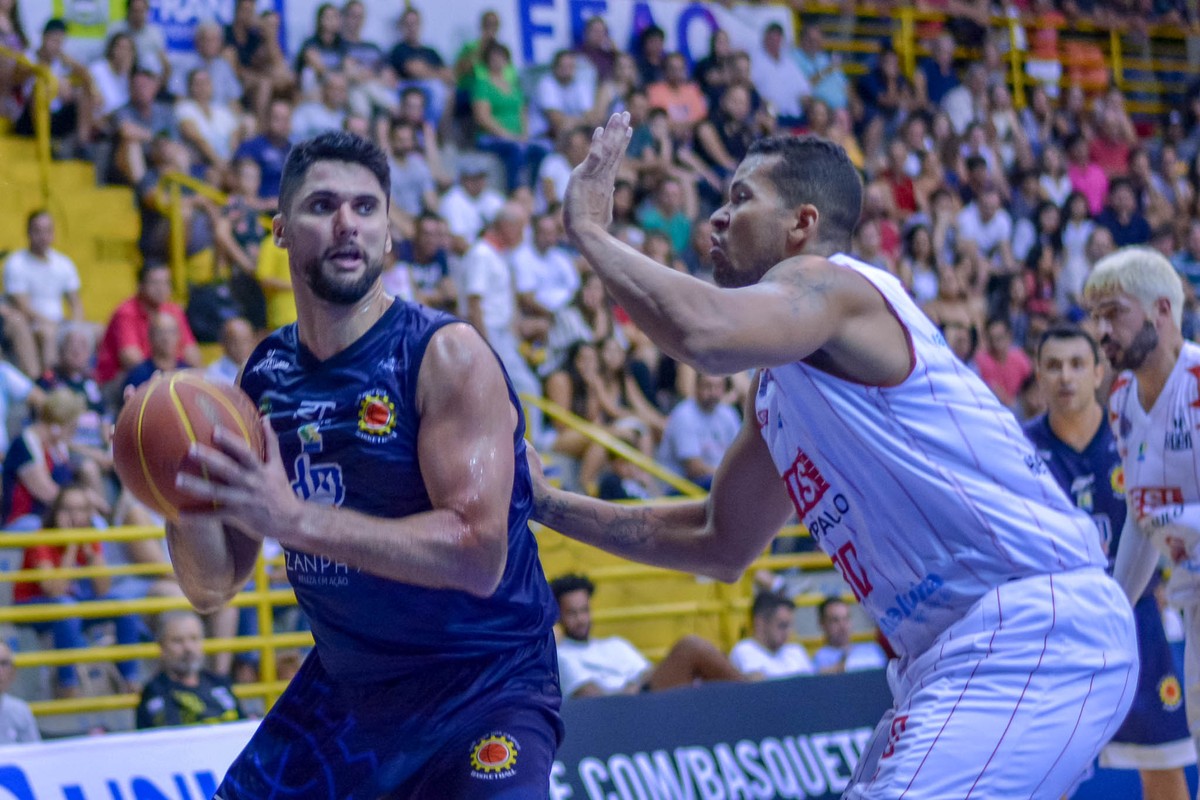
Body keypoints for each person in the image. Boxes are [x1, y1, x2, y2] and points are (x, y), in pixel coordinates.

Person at [530, 113, 1138, 797]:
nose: (719, 219)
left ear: (801, 224)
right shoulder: (777, 390)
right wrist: (547, 504)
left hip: (1035, 625)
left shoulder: (838, 286)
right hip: (948, 657)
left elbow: (702, 332)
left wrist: (589, 231)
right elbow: (718, 541)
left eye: (741, 199)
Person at [167, 131, 561, 797]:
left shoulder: (446, 355)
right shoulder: (264, 375)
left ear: (388, 231)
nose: (348, 224)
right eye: (322, 206)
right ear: (282, 231)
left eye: (366, 207)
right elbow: (213, 586)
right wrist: (178, 493)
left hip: (482, 682)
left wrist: (295, 520)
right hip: (353, 686)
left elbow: (477, 554)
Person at [1025, 324, 1193, 799]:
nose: (1066, 376)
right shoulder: (1017, 449)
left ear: (1099, 372)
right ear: (1038, 375)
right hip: (1056, 629)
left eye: (1078, 364)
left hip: (1133, 616)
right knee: (1045, 776)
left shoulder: (1132, 435)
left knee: (1163, 767)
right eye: (1054, 366)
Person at [1084, 247, 1200, 768]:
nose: (1102, 331)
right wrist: (1114, 608)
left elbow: (1157, 518)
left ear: (1161, 311)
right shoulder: (1122, 397)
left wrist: (1170, 521)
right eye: (1096, 317)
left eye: (1114, 313)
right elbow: (1139, 515)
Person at [550, 573, 746, 698]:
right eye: (572, 613)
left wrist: (636, 685)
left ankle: (754, 696)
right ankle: (758, 697)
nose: (581, 619)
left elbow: (647, 672)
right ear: (558, 616)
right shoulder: (562, 656)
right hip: (621, 716)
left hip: (646, 700)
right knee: (690, 647)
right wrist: (631, 689)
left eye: (584, 611)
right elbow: (594, 700)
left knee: (697, 661)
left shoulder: (615, 644)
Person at [136, 610, 245, 729]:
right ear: (162, 647)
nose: (188, 648)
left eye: (194, 639)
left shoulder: (219, 683)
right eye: (178, 641)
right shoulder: (155, 692)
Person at [729, 591, 815, 679]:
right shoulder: (743, 650)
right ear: (760, 623)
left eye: (790, 626)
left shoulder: (796, 651)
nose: (789, 632)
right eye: (782, 625)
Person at [811, 597, 888, 674]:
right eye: (835, 620)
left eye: (846, 618)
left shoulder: (873, 649)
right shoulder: (820, 658)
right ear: (822, 624)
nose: (843, 626)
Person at [0, 641, 38, 743]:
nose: (0, 671)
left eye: (4, 664)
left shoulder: (21, 710)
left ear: (13, 671)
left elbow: (35, 755)